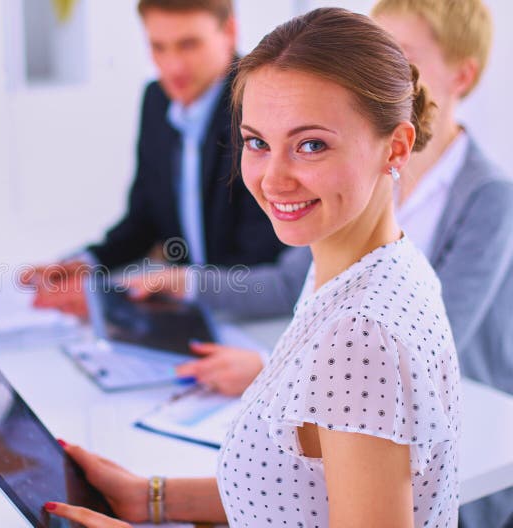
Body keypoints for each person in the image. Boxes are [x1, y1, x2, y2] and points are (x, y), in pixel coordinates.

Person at [42, 8, 460, 527]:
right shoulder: (370, 266)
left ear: (394, 147)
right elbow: (300, 491)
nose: (273, 179)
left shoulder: (360, 333)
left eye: (311, 145)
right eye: (258, 142)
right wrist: (150, 498)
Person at [24, 0, 285, 317]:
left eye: (189, 45)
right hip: (190, 314)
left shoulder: (262, 108)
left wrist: (118, 296)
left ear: (229, 31)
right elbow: (142, 221)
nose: (172, 66)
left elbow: (261, 261)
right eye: (158, 47)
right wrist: (87, 264)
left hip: (258, 316)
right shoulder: (157, 101)